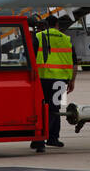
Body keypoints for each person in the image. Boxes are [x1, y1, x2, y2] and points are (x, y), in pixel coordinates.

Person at [31, 14, 74, 152]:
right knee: (55, 110)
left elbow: (30, 57)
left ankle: (43, 138)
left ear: (45, 24)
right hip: (61, 80)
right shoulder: (66, 39)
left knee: (41, 109)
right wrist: (72, 81)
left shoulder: (38, 37)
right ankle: (47, 139)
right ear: (57, 25)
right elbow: (74, 62)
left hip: (42, 79)